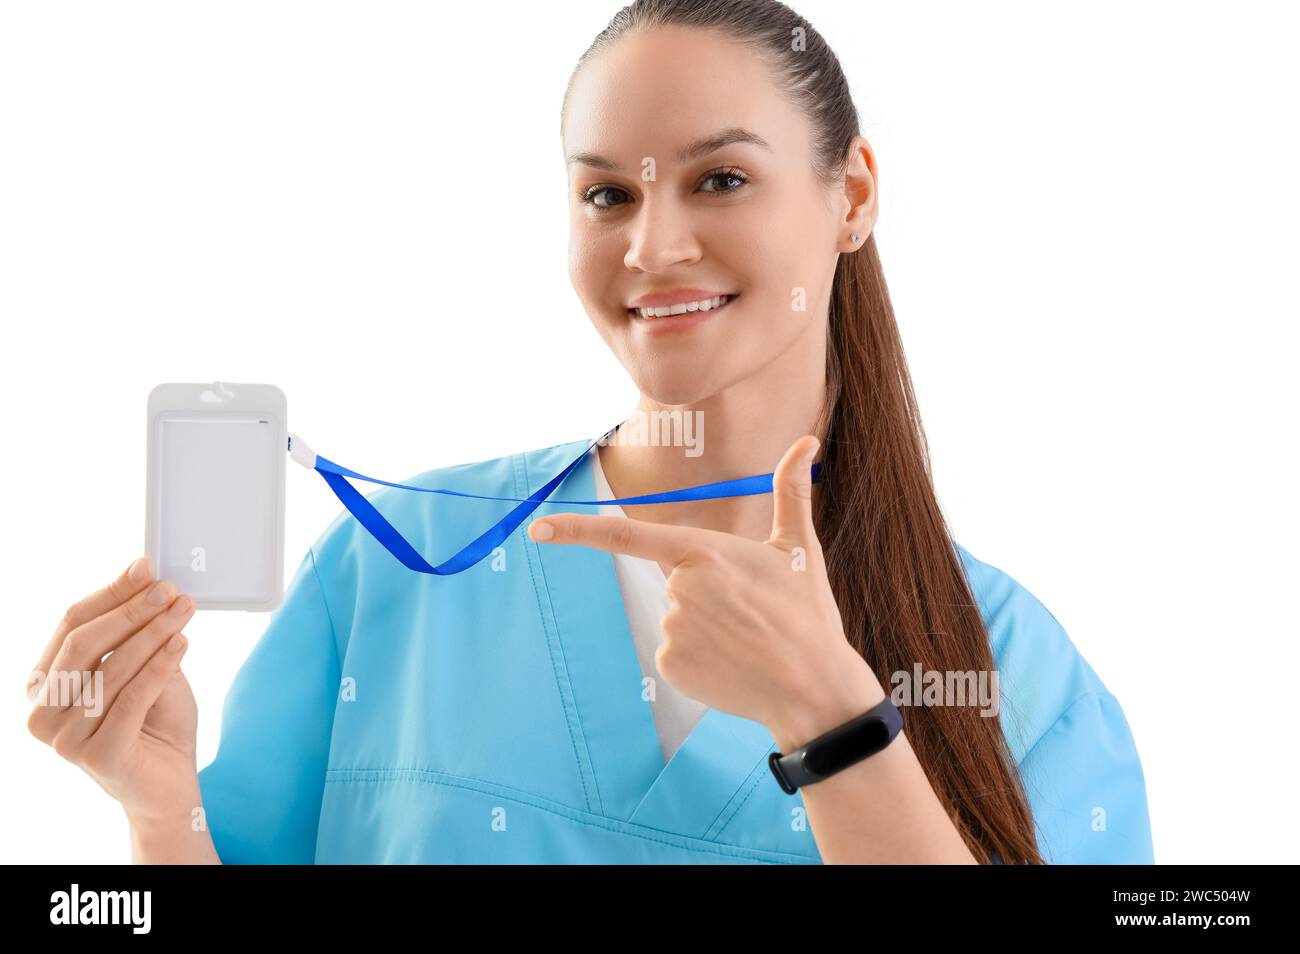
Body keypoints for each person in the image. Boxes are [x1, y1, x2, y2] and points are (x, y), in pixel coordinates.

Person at [28, 0, 1153, 864]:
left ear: (851, 194)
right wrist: (159, 806)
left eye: (720, 178)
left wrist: (836, 719)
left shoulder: (1012, 670)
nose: (654, 245)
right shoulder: (391, 568)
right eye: (606, 195)